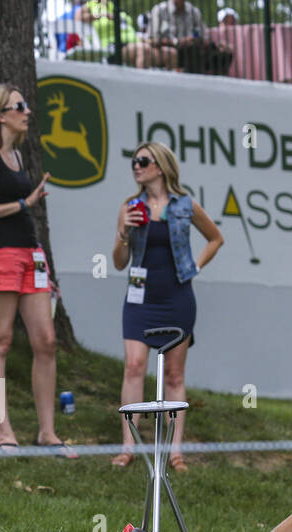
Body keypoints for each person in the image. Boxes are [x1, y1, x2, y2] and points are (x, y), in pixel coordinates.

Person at [0, 84, 75, 459]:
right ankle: (4, 432)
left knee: (46, 340)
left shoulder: (17, 154)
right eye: (19, 106)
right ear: (0, 113)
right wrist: (23, 203)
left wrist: (41, 262)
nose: (27, 111)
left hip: (31, 256)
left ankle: (47, 432)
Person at [109, 142, 222, 472]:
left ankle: (175, 452)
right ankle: (128, 446)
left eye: (143, 161)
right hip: (139, 298)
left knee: (174, 374)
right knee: (133, 366)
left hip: (177, 297)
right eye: (134, 161)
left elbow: (215, 238)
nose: (136, 166)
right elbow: (118, 262)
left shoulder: (185, 204)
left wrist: (195, 267)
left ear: (160, 166)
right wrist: (124, 232)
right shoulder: (130, 206)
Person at [149, 0, 232, 75]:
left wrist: (215, 45)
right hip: (172, 48)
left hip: (194, 49)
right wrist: (177, 41)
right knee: (192, 52)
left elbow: (204, 36)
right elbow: (152, 39)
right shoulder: (159, 10)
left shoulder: (194, 11)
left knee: (225, 54)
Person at [75, 1, 161, 68]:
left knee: (169, 53)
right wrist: (103, 15)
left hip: (135, 43)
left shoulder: (114, 6)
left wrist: (147, 40)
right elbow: (78, 18)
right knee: (143, 49)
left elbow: (128, 30)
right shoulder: (91, 5)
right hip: (112, 48)